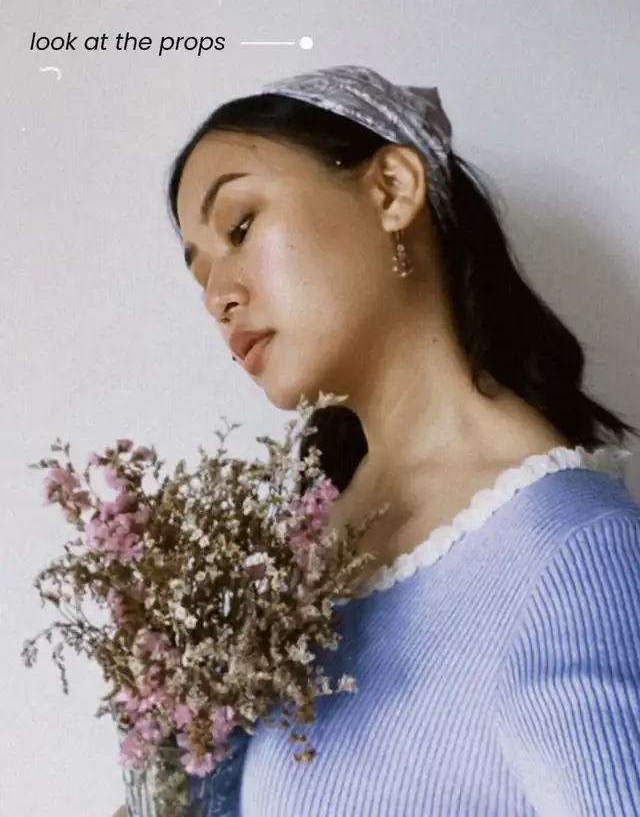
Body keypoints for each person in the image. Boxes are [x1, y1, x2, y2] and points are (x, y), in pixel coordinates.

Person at [113, 65, 640, 816]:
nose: (217, 297)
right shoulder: (296, 563)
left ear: (392, 189)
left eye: (240, 227)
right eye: (200, 273)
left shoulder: (576, 556)